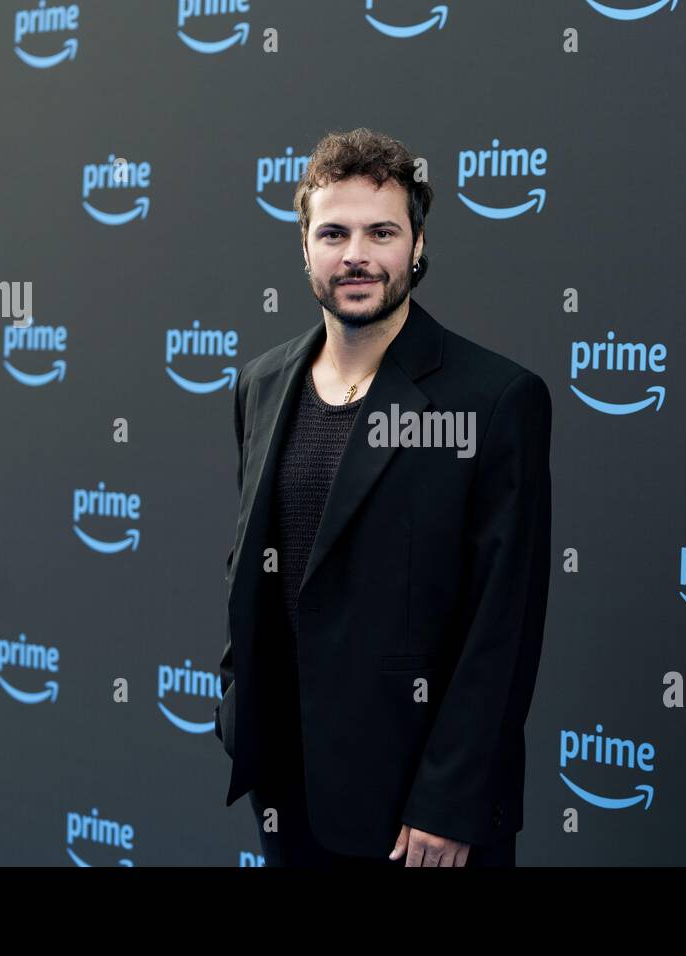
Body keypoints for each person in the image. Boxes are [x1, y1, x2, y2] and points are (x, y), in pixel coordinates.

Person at [215, 127, 552, 867]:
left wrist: (451, 799)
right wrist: (240, 705)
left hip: (419, 816)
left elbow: (505, 622)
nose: (356, 256)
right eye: (333, 232)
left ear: (417, 245)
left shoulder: (494, 399)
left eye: (382, 232)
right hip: (289, 790)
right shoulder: (261, 384)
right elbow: (257, 562)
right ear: (304, 247)